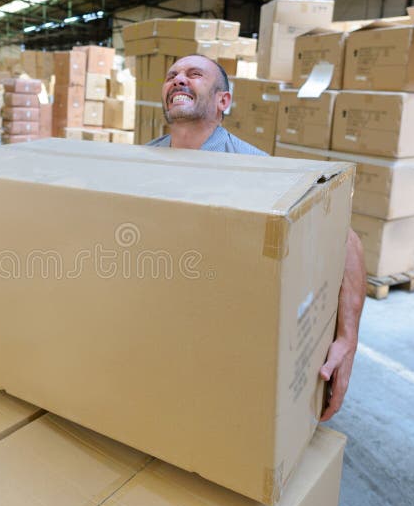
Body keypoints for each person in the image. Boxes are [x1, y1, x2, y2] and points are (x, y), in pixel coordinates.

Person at [148, 54, 366, 421]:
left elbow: (346, 240)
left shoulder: (256, 169)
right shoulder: (143, 159)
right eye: (172, 75)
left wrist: (347, 339)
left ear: (223, 101)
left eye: (194, 74)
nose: (178, 80)